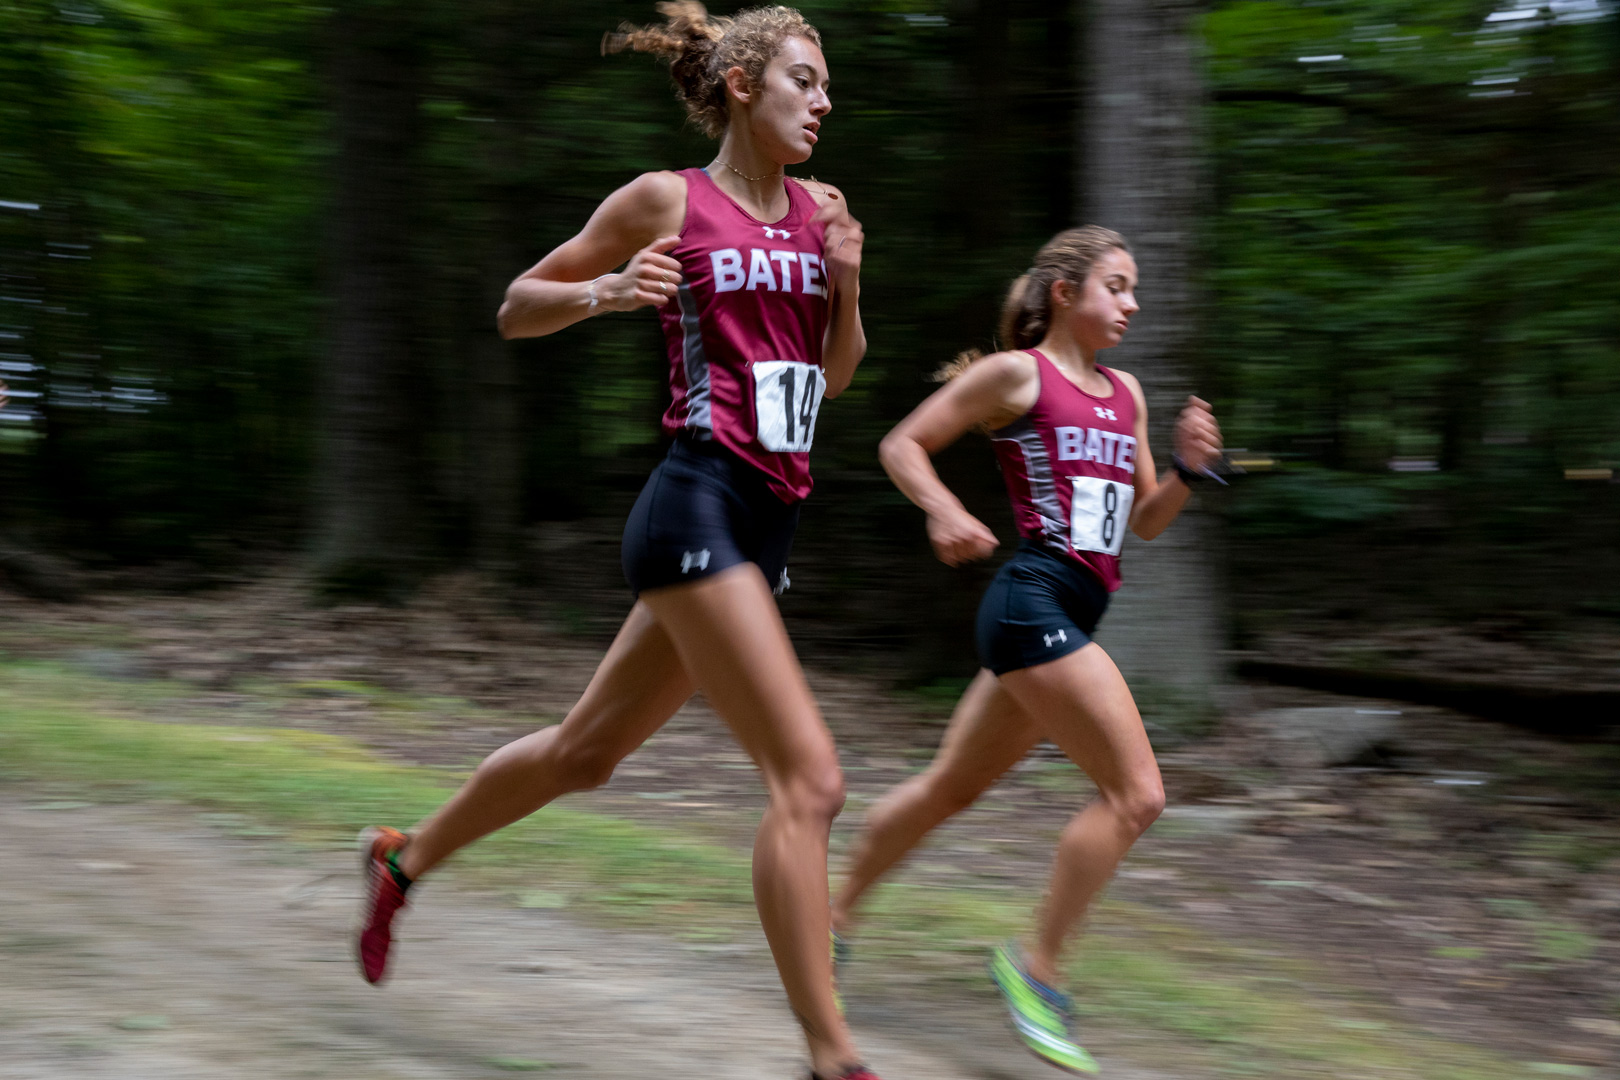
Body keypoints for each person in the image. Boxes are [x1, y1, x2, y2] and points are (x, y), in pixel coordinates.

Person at [354, 6, 877, 1078]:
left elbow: (834, 375)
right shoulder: (666, 201)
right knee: (809, 781)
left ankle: (404, 860)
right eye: (806, 80)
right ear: (743, 85)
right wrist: (608, 290)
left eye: (826, 86)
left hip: (767, 521)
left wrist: (851, 278)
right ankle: (832, 1057)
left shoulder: (823, 210)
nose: (825, 101)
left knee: (585, 754)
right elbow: (515, 306)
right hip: (695, 502)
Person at [828, 226, 1223, 1074]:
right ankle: (1035, 970)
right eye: (1116, 286)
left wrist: (1187, 473)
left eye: (1134, 288)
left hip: (1072, 615)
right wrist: (942, 509)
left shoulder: (1128, 394)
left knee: (950, 789)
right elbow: (902, 444)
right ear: (1064, 294)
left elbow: (1143, 521)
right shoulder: (1018, 375)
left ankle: (828, 920)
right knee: (1138, 794)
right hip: (1029, 603)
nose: (1131, 303)